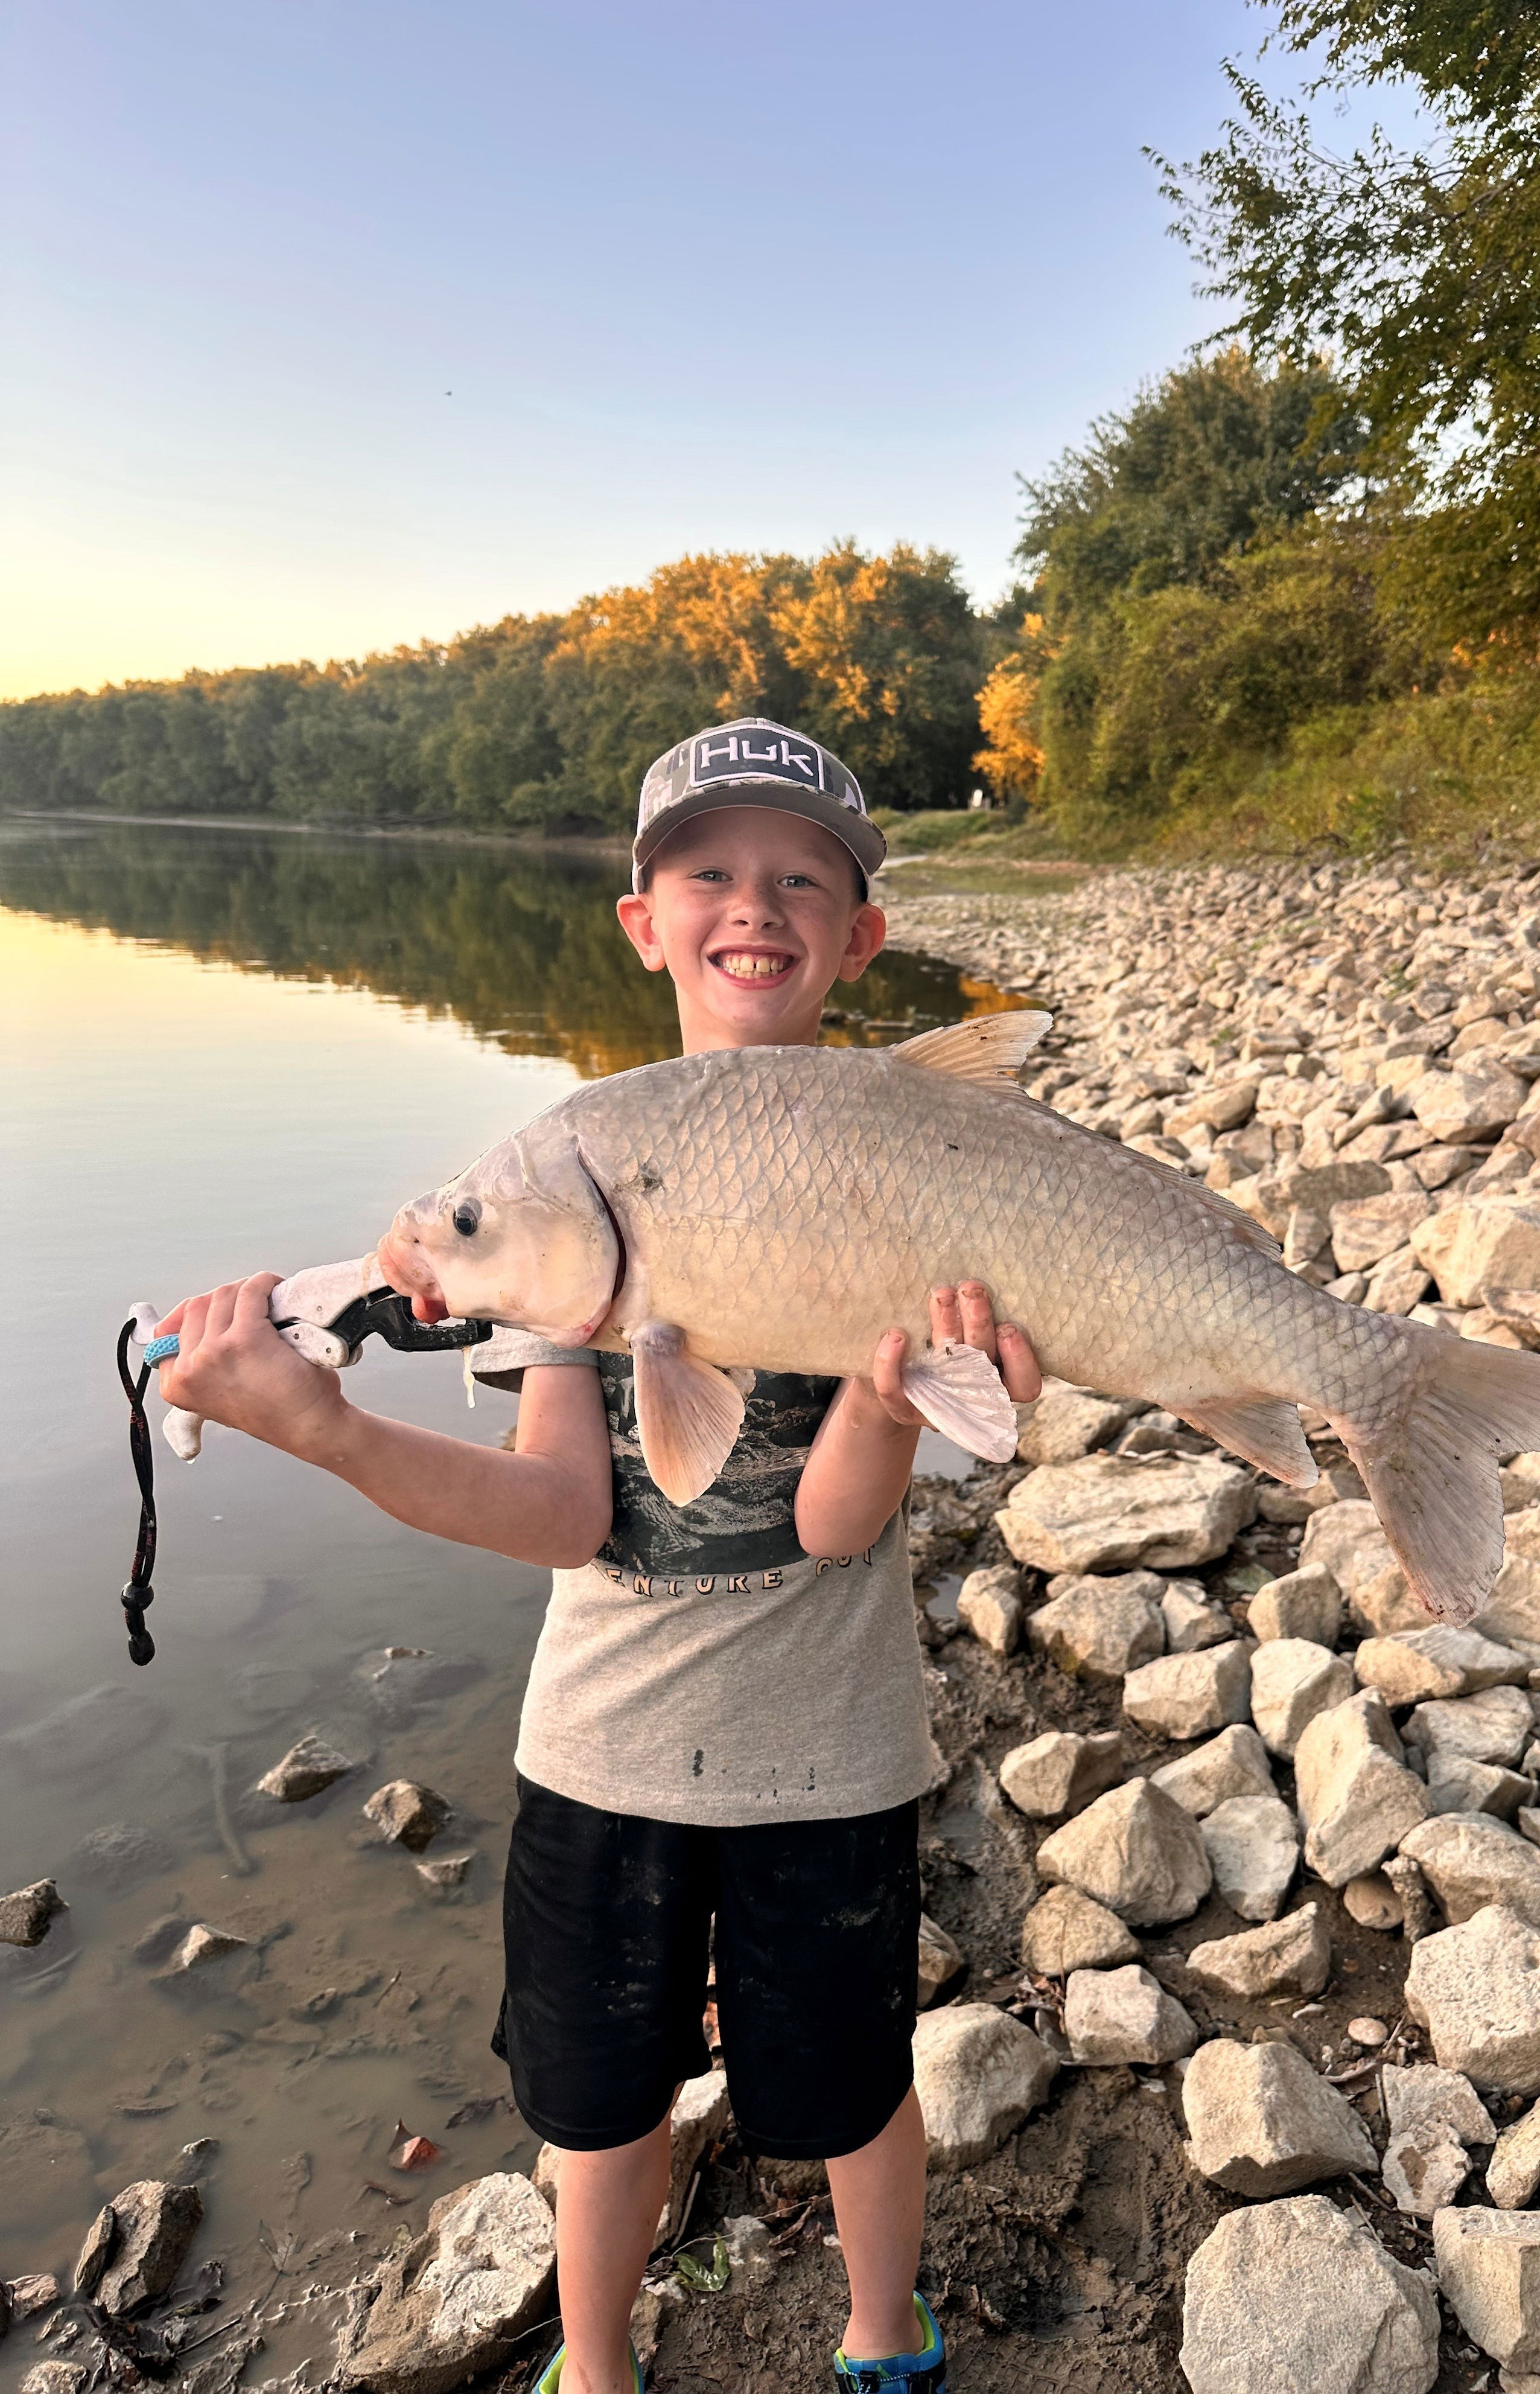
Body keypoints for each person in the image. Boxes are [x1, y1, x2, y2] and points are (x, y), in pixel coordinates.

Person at [153, 717, 1043, 2394]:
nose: (750, 906)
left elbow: (838, 1526)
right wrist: (326, 1428)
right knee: (593, 2093)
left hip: (827, 1761)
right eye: (708, 872)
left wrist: (908, 1389)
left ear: (863, 936)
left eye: (800, 879)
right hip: (601, 1757)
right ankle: (598, 2366)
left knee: (853, 2081)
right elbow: (564, 1510)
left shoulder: (891, 1137)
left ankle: (883, 2335)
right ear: (644, 919)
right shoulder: (574, 1161)